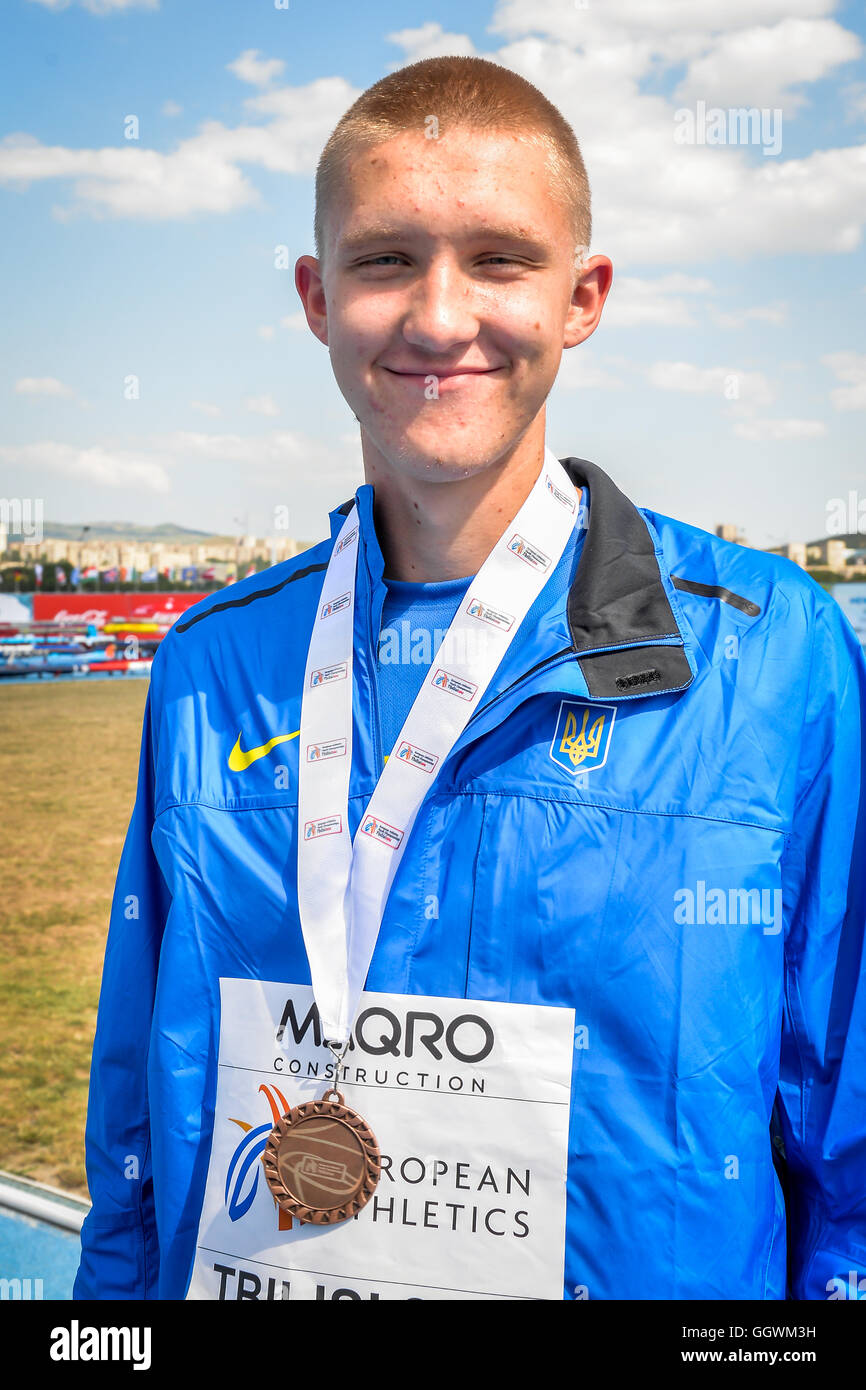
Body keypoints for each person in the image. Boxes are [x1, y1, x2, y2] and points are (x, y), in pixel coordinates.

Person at [74, 55, 866, 1302]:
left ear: (581, 296)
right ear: (314, 295)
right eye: (384, 259)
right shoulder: (211, 666)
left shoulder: (770, 655)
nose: (440, 317)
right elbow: (133, 1129)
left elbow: (846, 1149)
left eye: (500, 259)